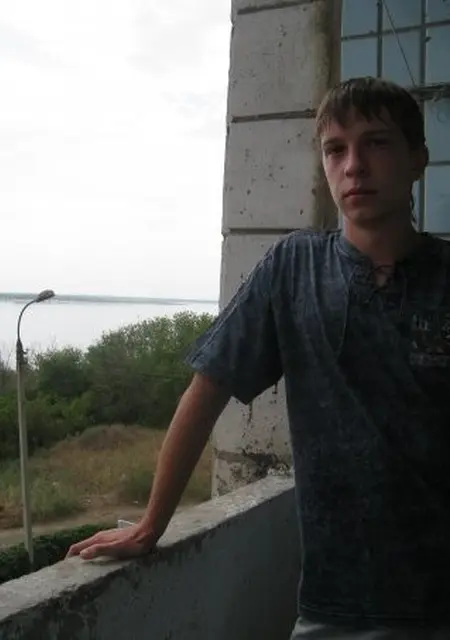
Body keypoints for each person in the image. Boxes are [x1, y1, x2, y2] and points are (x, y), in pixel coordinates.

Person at [67, 76, 450, 638]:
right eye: (335, 149)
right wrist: (150, 525)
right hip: (334, 609)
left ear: (417, 158)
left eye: (377, 143)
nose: (354, 166)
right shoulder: (295, 269)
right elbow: (206, 391)